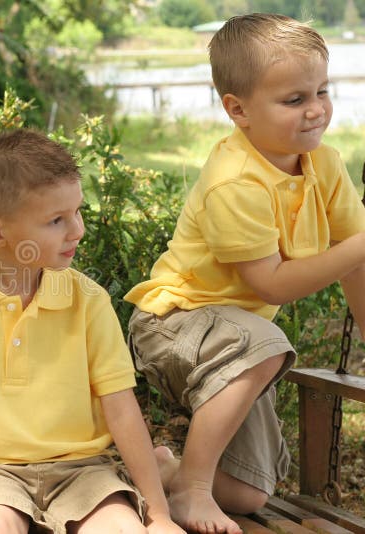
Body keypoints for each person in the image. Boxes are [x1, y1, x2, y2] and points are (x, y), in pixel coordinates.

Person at [124, 13, 365, 534]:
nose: (316, 109)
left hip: (239, 341)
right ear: (238, 110)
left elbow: (355, 257)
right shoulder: (234, 182)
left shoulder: (324, 164)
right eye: (294, 99)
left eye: (322, 90)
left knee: (249, 493)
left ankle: (169, 470)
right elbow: (272, 285)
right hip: (174, 322)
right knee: (269, 343)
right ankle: (190, 493)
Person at [0, 129, 184, 534]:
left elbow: (122, 410)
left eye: (78, 212)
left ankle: (158, 478)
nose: (76, 230)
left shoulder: (89, 302)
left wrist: (160, 516)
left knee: (121, 529)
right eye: (56, 220)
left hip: (81, 472)